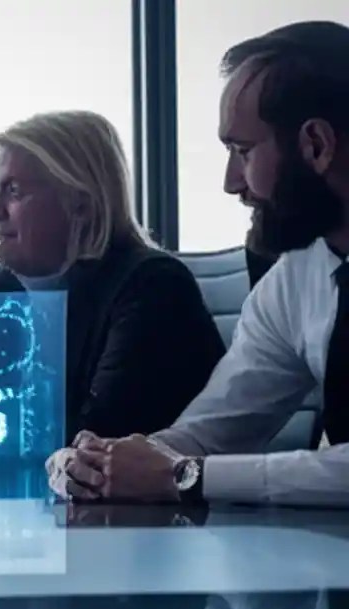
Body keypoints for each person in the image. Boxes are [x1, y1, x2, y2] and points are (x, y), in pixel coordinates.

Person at [53, 21, 349, 507]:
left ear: (315, 145)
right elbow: (212, 431)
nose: (232, 183)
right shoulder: (297, 279)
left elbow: (188, 468)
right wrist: (99, 462)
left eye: (242, 151)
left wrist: (187, 476)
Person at [0, 111, 223, 449]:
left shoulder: (153, 287)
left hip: (142, 500)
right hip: (45, 498)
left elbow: (97, 440)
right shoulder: (6, 286)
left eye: (14, 191)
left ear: (80, 204)